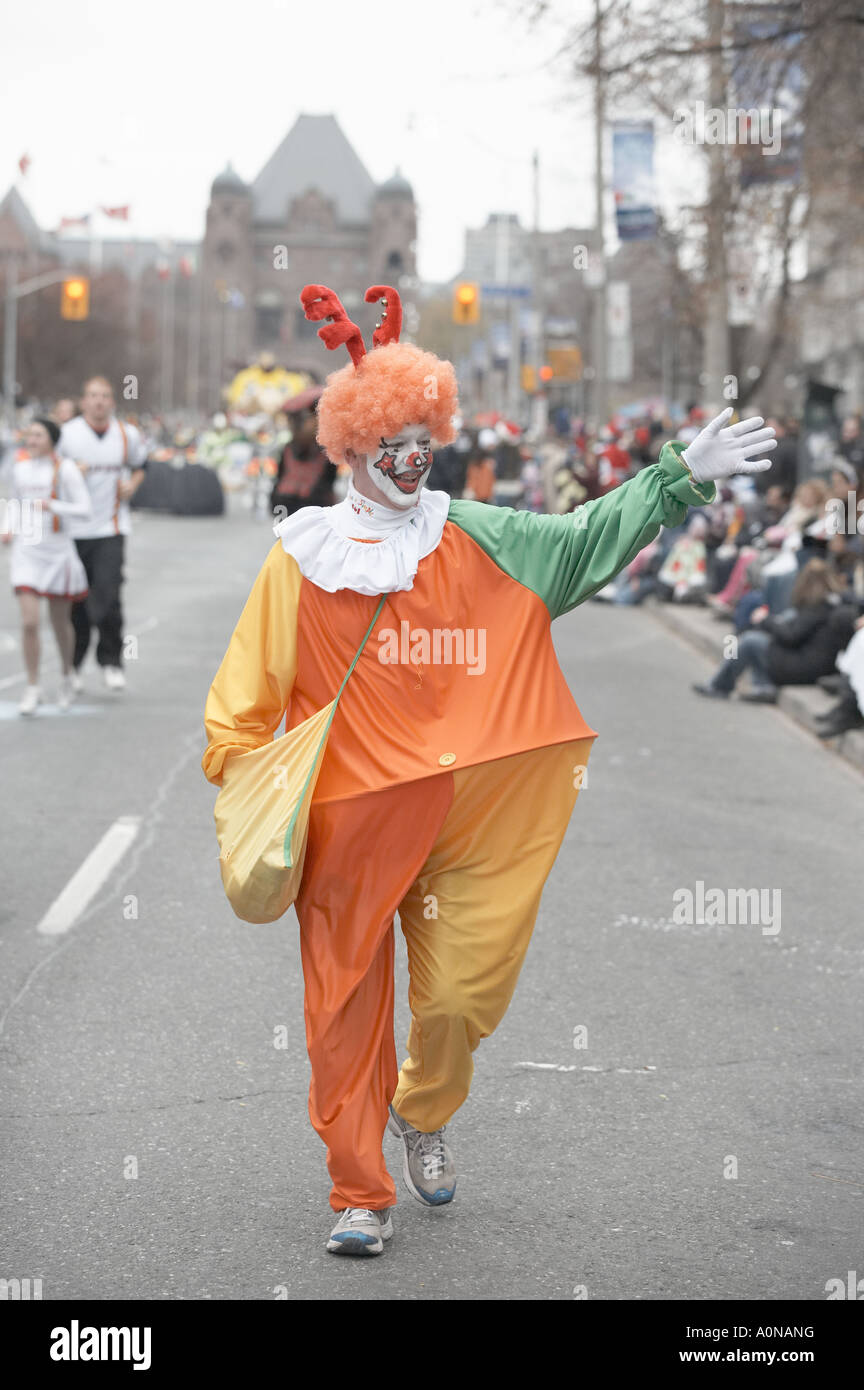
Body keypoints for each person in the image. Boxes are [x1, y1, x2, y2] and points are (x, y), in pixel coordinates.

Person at [202, 282, 776, 1258]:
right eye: (392, 436)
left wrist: (678, 474)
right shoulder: (299, 562)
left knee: (462, 997)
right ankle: (358, 1189)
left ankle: (422, 1111)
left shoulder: (481, 535)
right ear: (349, 446)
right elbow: (241, 709)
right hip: (347, 825)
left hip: (470, 818)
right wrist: (262, 788)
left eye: (425, 431)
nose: (412, 454)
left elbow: (590, 540)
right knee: (343, 1011)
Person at [59, 377, 148, 692]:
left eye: (104, 396)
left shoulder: (127, 434)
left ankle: (111, 661)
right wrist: (69, 474)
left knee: (108, 598)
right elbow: (49, 471)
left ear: (112, 401)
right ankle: (74, 665)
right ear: (84, 401)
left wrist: (132, 485)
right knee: (76, 602)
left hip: (111, 527)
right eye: (92, 396)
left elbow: (142, 465)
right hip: (73, 531)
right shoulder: (67, 436)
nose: (98, 402)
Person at [0, 418, 91, 714]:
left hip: (57, 552)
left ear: (51, 439)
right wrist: (7, 528)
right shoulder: (19, 467)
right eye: (29, 435)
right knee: (28, 622)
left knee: (59, 623)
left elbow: (85, 510)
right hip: (27, 551)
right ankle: (32, 686)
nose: (32, 440)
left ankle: (66, 675)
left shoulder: (64, 469)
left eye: (38, 435)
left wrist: (52, 505)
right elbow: (12, 501)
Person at [692, 558, 856, 703]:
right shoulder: (830, 604)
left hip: (804, 668)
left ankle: (720, 686)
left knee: (751, 641)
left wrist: (766, 620)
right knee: (758, 642)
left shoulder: (818, 607)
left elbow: (791, 636)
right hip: (814, 665)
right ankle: (762, 685)